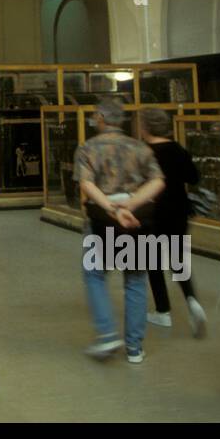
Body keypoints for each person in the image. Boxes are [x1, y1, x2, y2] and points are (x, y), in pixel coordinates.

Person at [74, 97, 164, 364]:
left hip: (101, 219)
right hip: (137, 219)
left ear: (101, 118)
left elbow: (87, 184)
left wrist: (112, 208)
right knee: (135, 279)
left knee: (94, 274)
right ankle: (134, 348)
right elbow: (158, 181)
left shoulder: (88, 148)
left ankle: (107, 334)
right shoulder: (140, 147)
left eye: (95, 115)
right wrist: (130, 205)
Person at [139, 108, 207, 337]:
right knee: (177, 259)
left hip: (152, 211)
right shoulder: (178, 149)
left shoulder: (143, 152)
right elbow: (194, 177)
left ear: (145, 127)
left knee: (153, 262)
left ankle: (163, 310)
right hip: (178, 210)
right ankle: (192, 300)